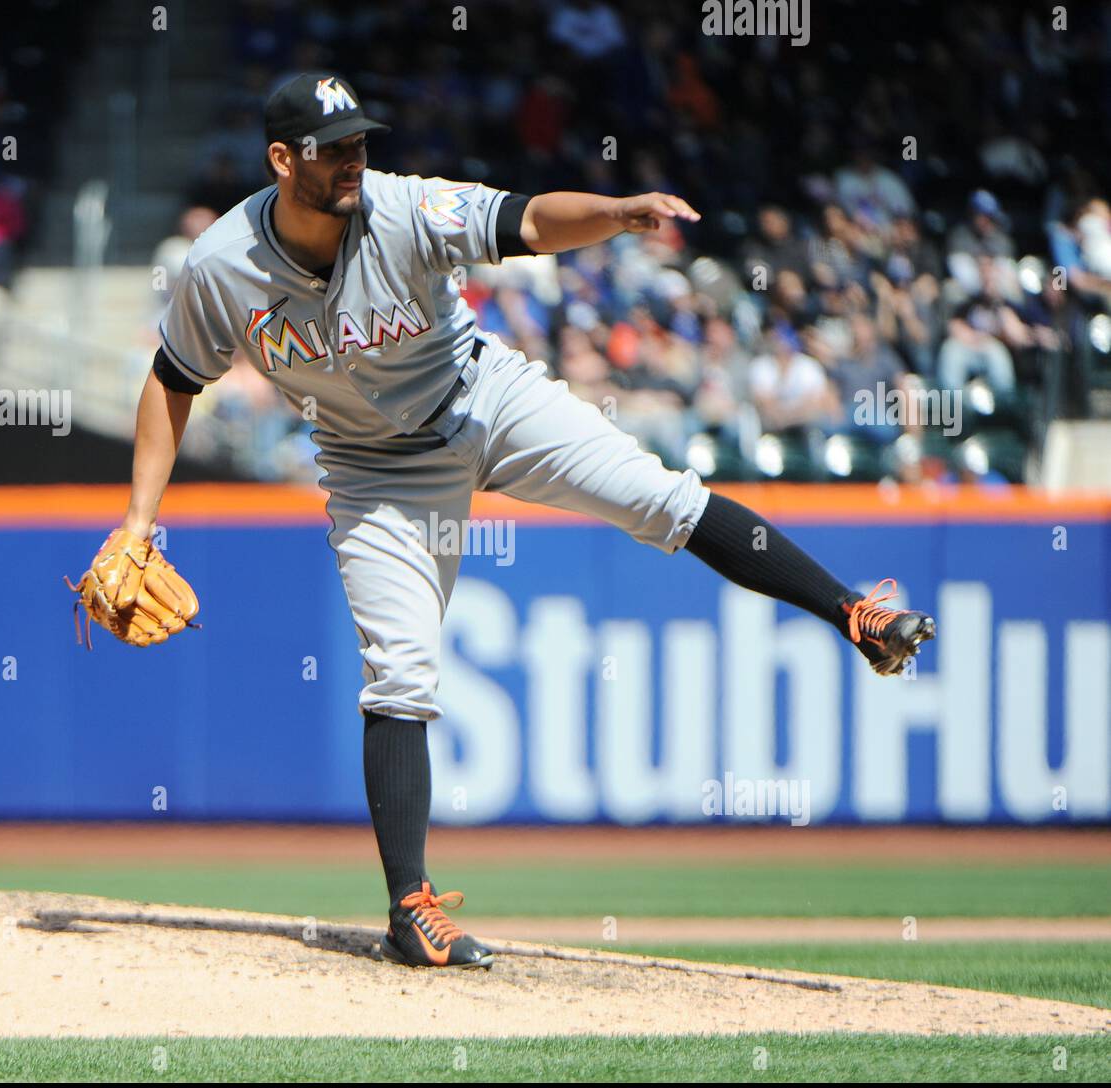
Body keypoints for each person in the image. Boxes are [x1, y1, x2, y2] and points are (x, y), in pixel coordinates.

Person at [94, 74, 936, 970]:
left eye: (358, 143)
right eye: (332, 147)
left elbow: (527, 221)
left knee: (662, 497)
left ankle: (854, 611)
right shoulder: (224, 265)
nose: (353, 160)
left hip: (484, 396)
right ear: (280, 158)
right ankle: (410, 907)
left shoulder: (403, 207)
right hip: (377, 471)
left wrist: (614, 212)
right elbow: (174, 379)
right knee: (399, 669)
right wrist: (139, 521)